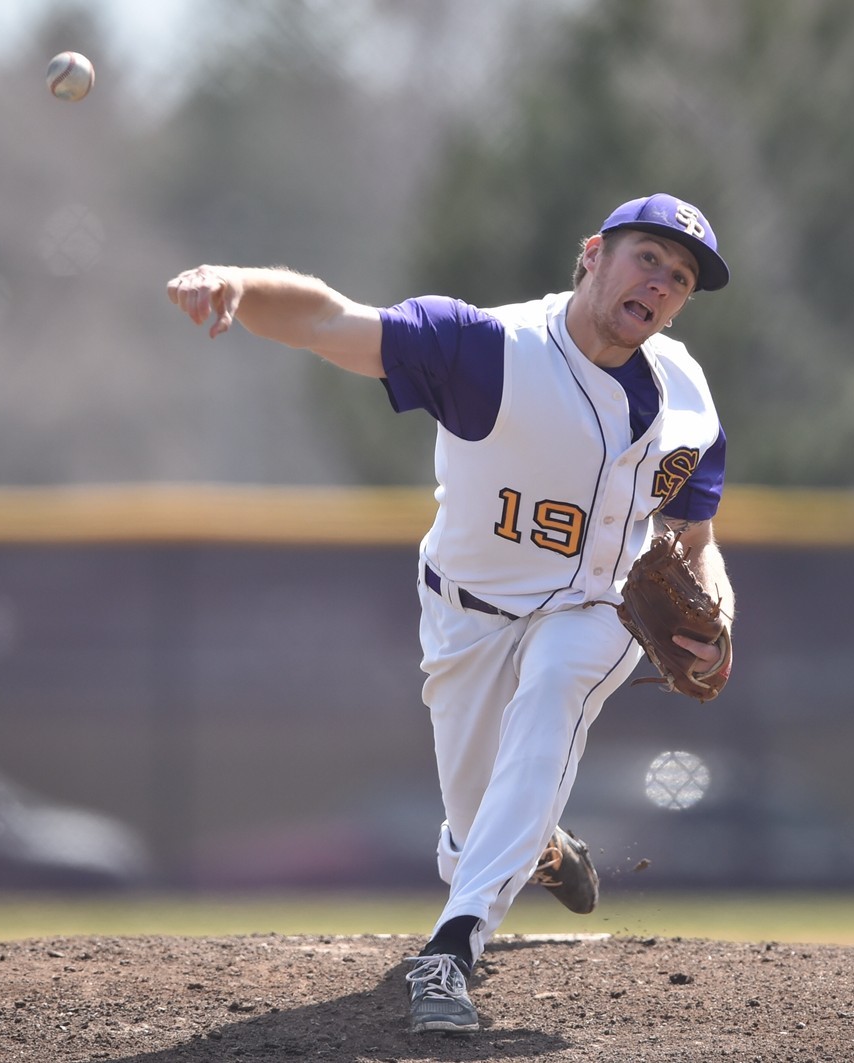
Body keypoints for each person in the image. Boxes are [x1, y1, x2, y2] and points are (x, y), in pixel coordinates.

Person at [165, 193, 736, 1034]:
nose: (661, 282)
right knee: (475, 833)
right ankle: (537, 844)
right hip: (465, 613)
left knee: (554, 686)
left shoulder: (686, 394)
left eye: (681, 276)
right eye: (648, 256)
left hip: (598, 610)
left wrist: (719, 609)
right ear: (592, 254)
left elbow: (697, 539)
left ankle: (452, 949)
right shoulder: (487, 349)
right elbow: (330, 323)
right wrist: (238, 285)